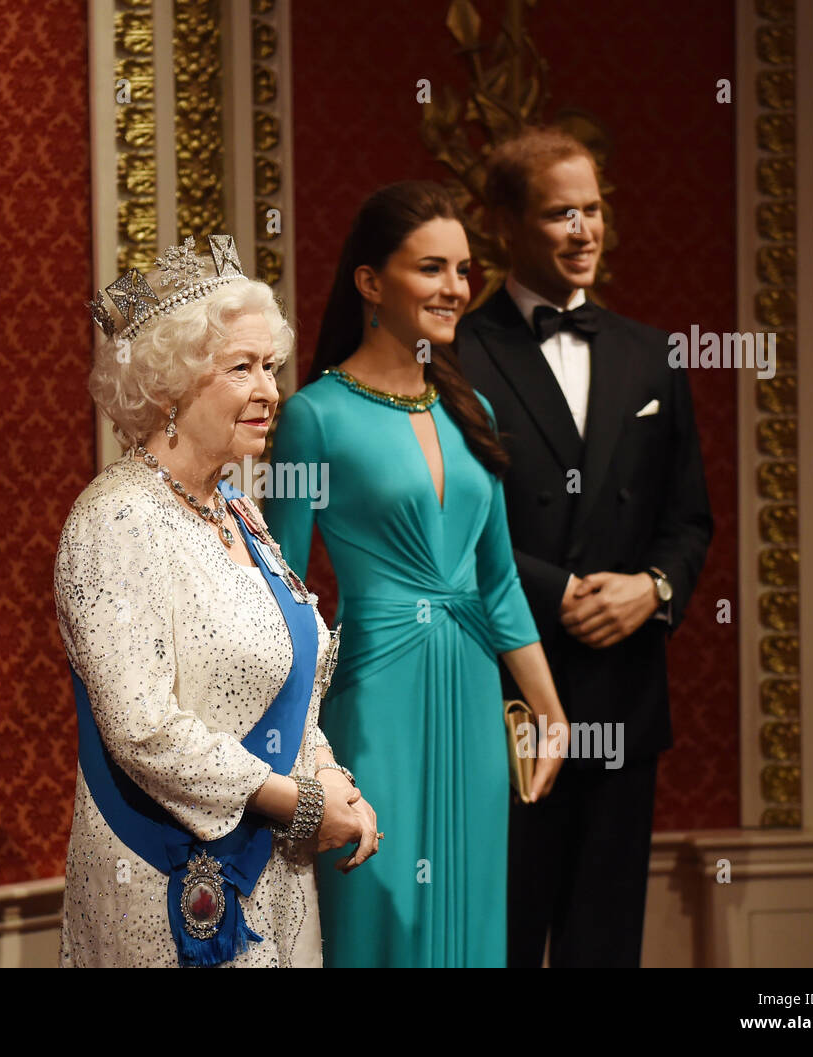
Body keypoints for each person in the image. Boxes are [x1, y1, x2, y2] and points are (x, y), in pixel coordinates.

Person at [264, 182, 569, 967]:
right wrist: (290, 747)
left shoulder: (472, 411)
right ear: (371, 282)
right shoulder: (313, 417)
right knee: (383, 912)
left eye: (464, 270)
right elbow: (285, 594)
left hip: (472, 693)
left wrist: (548, 707)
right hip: (374, 700)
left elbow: (497, 580)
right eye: (432, 267)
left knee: (472, 918)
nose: (456, 289)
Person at [55, 234, 378, 967]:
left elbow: (288, 678)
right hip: (163, 877)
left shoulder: (237, 509)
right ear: (169, 385)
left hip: (274, 871)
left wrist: (326, 774)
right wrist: (295, 801)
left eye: (271, 366)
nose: (270, 389)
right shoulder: (117, 519)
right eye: (242, 368)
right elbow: (143, 728)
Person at [456, 126, 713, 967]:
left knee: (604, 949)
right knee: (502, 936)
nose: (583, 231)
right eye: (560, 213)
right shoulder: (455, 352)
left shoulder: (651, 354)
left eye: (593, 210)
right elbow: (448, 524)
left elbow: (689, 520)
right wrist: (553, 590)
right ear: (502, 225)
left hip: (623, 698)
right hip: (502, 701)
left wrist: (656, 589)